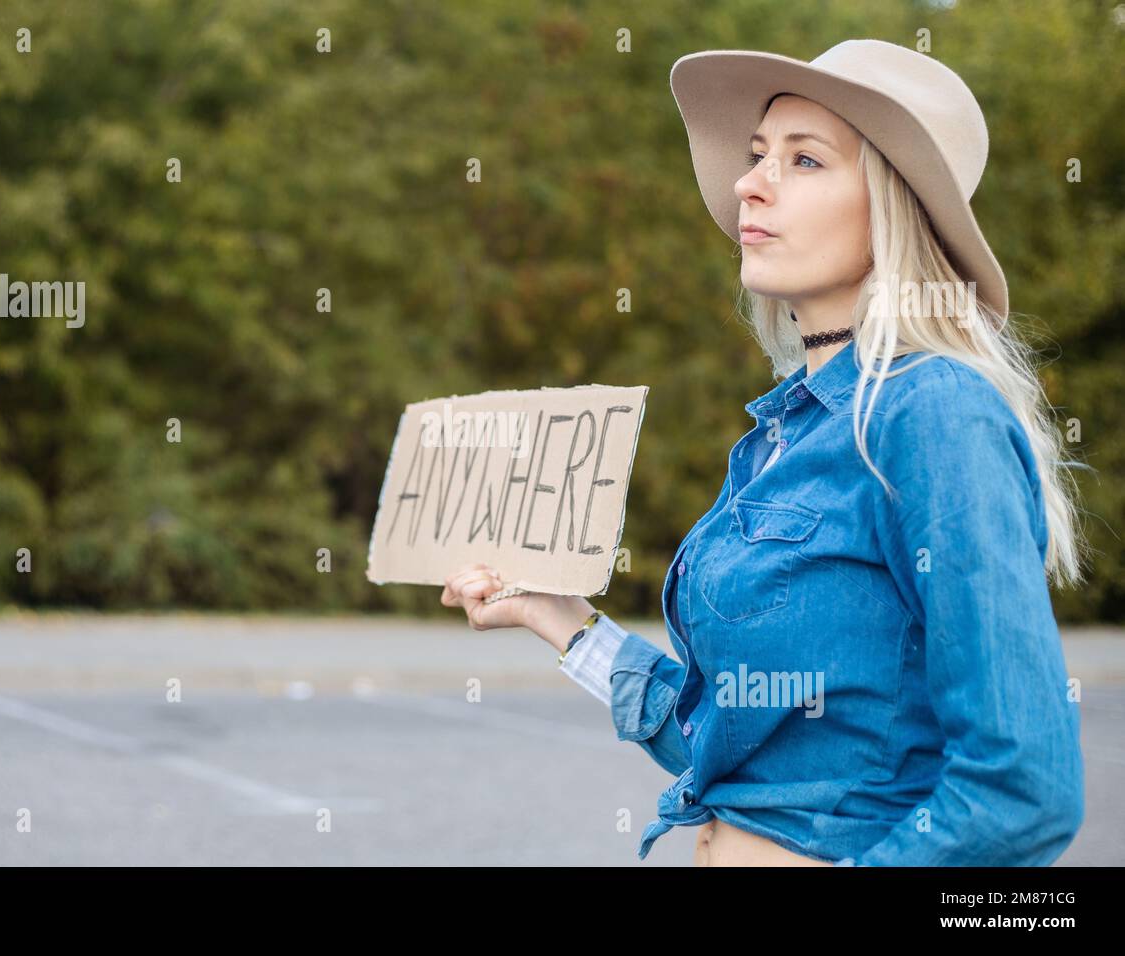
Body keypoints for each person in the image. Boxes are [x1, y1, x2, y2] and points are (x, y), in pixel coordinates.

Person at [440, 39, 1088, 866]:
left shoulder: (931, 413)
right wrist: (557, 618)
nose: (751, 183)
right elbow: (737, 739)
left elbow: (1022, 789)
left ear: (893, 208)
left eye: (805, 159)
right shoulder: (789, 431)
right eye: (756, 156)